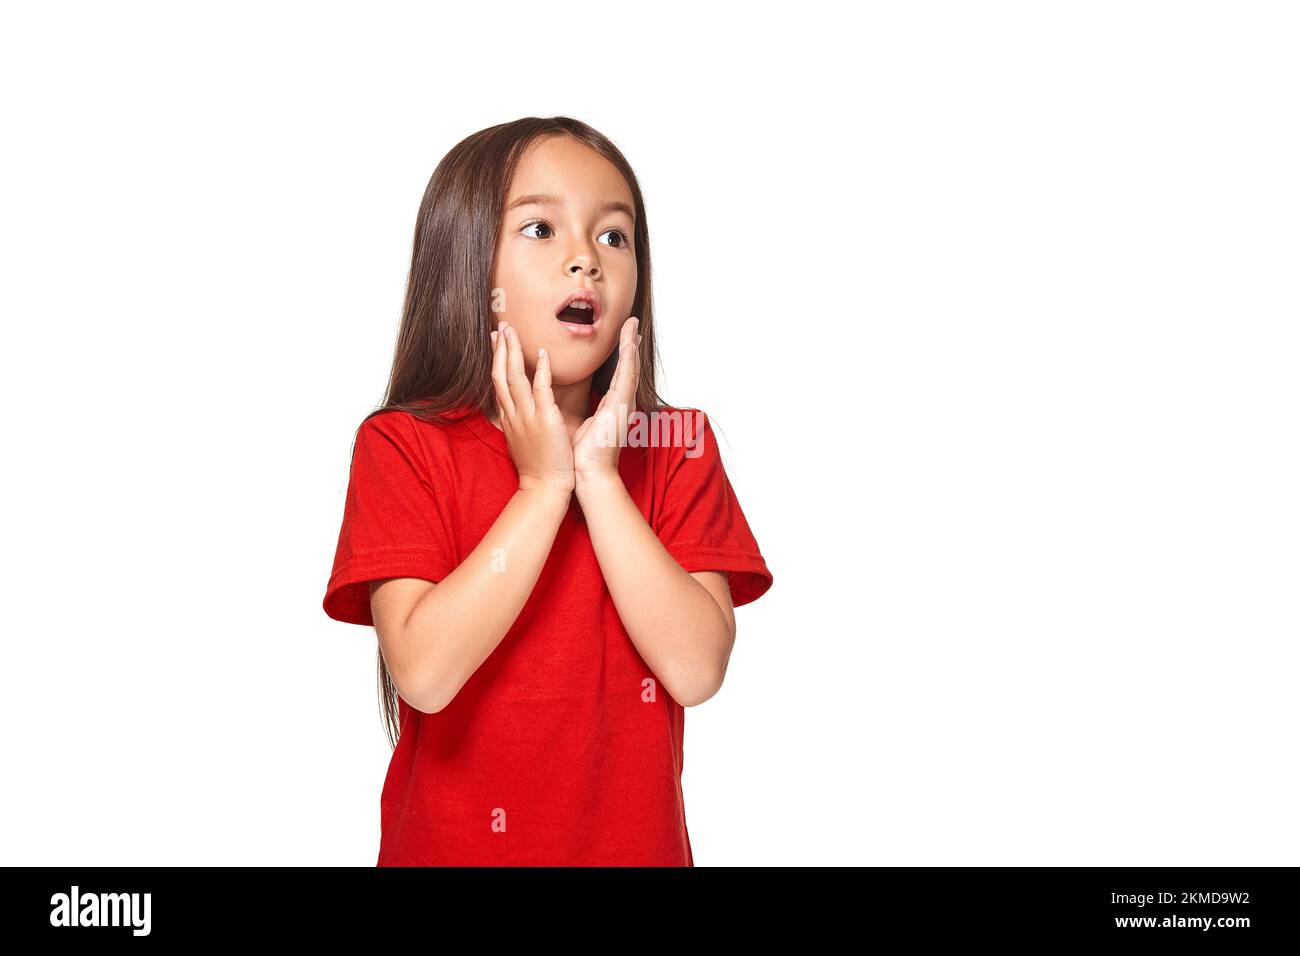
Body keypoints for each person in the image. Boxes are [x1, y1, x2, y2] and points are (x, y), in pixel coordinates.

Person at [322, 116, 774, 866]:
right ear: (469, 268)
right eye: (541, 229)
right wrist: (541, 488)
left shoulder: (677, 448)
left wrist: (597, 475)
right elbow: (426, 675)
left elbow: (696, 670)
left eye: (614, 237)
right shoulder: (403, 446)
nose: (585, 262)